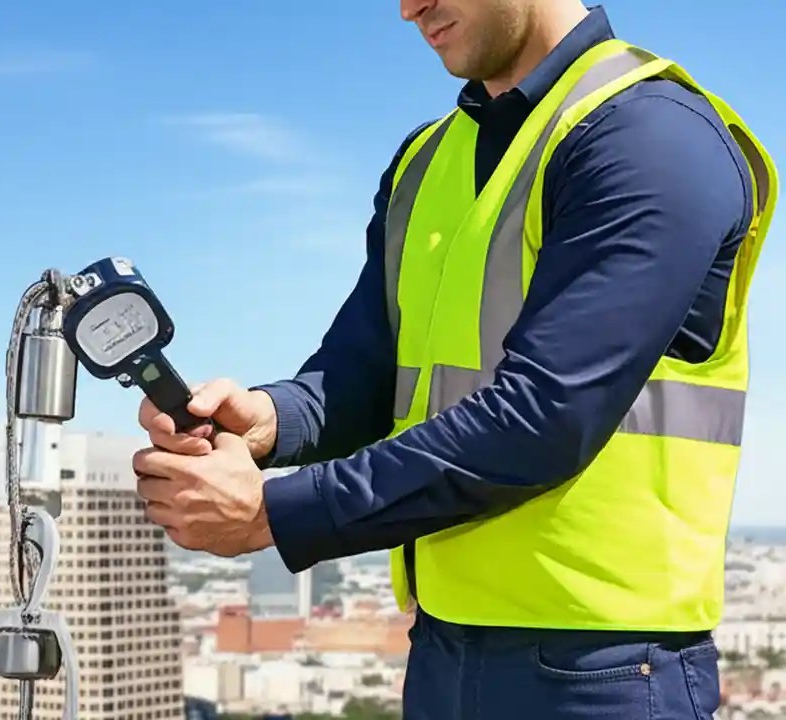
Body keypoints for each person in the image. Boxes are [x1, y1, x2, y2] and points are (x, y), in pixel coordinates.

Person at [132, 1, 777, 718]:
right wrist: (268, 421)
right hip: (442, 650)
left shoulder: (651, 136)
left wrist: (275, 516)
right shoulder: (425, 161)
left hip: (609, 672)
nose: (410, 8)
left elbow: (543, 417)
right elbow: (363, 372)